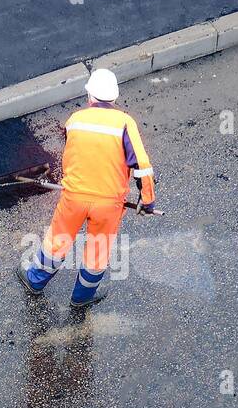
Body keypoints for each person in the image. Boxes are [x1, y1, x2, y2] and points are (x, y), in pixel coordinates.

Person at [17, 67, 157, 308]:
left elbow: (76, 155)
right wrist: (147, 199)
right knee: (98, 250)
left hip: (73, 196)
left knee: (57, 241)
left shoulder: (75, 120)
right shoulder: (124, 123)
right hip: (108, 203)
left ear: (90, 96)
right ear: (114, 98)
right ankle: (81, 298)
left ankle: (35, 281)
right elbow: (141, 165)